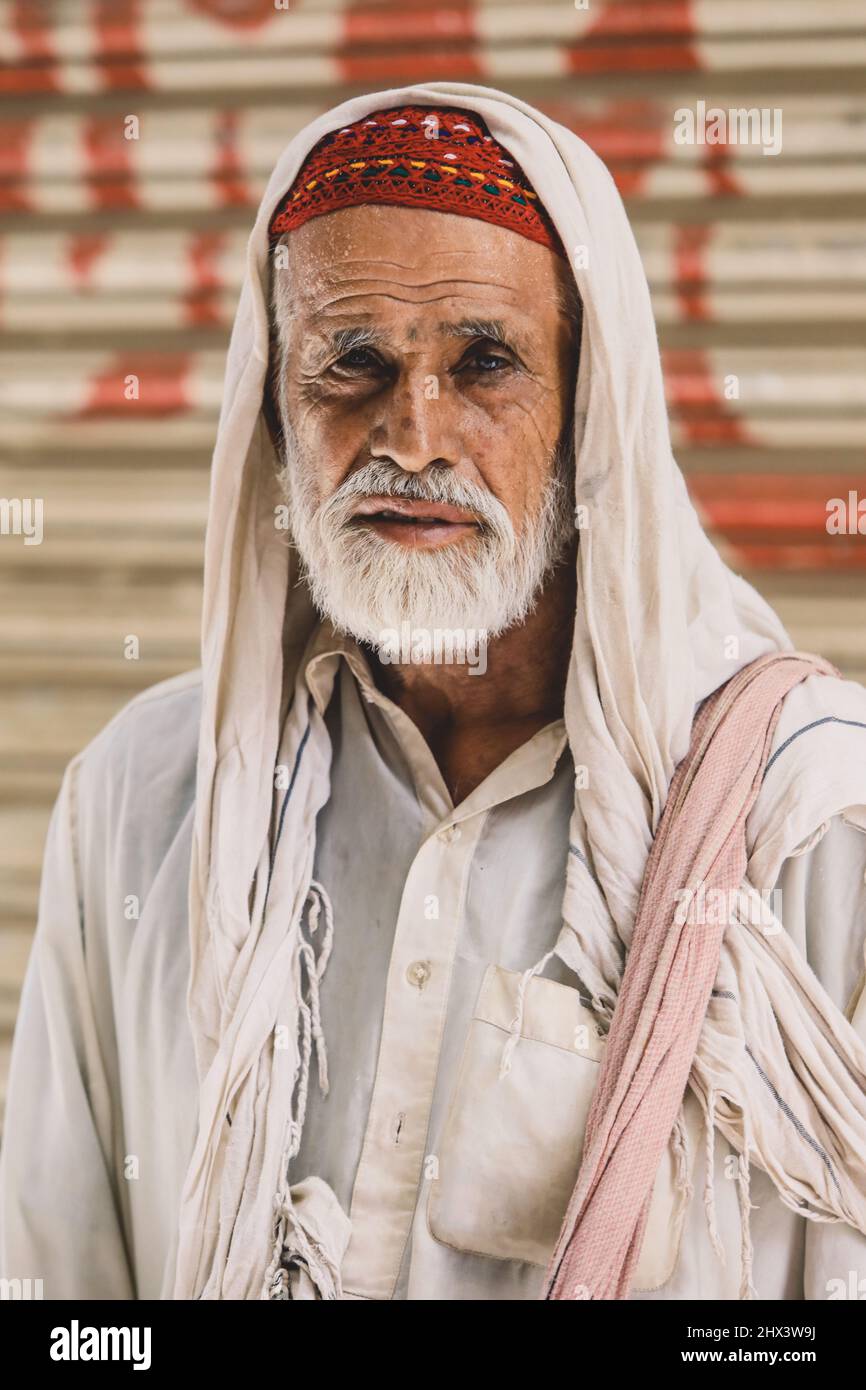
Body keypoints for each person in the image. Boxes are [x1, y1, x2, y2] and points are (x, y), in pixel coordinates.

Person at [2, 82, 866, 1303]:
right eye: (350, 363)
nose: (411, 436)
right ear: (273, 413)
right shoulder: (137, 801)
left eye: (484, 363)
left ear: (586, 413)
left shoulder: (815, 826)